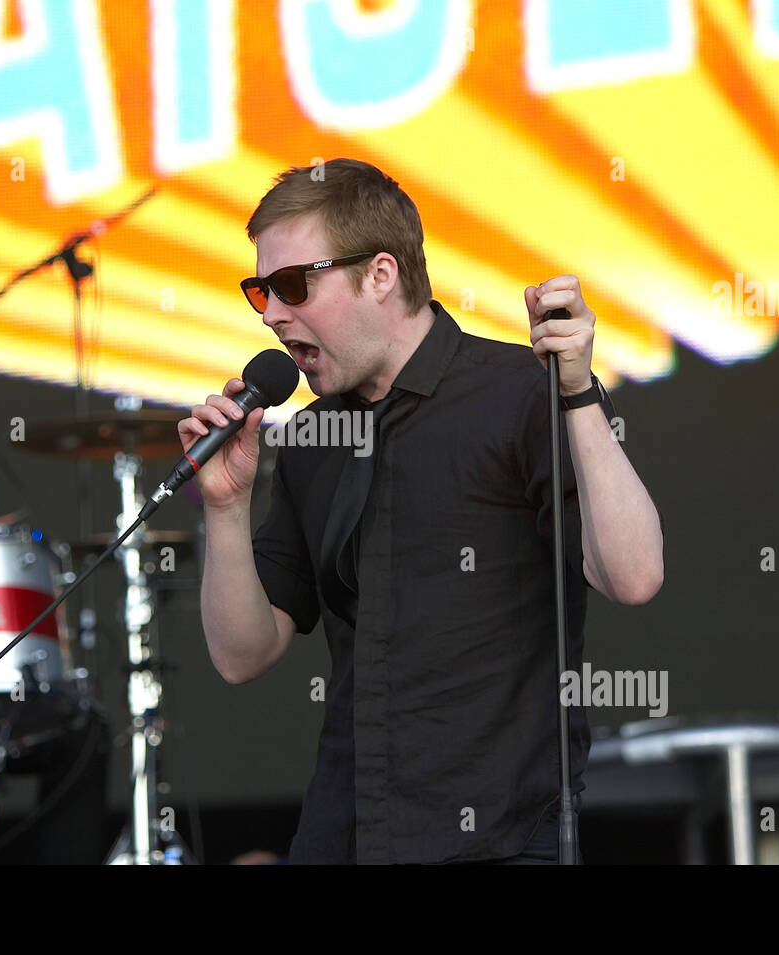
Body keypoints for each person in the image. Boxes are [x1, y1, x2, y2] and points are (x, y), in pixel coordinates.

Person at [178, 159, 665, 865]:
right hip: (343, 833)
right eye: (259, 290)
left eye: (291, 285)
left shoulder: (522, 394)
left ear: (380, 274)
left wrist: (580, 392)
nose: (272, 313)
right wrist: (224, 508)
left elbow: (635, 574)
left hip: (494, 838)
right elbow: (241, 656)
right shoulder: (314, 436)